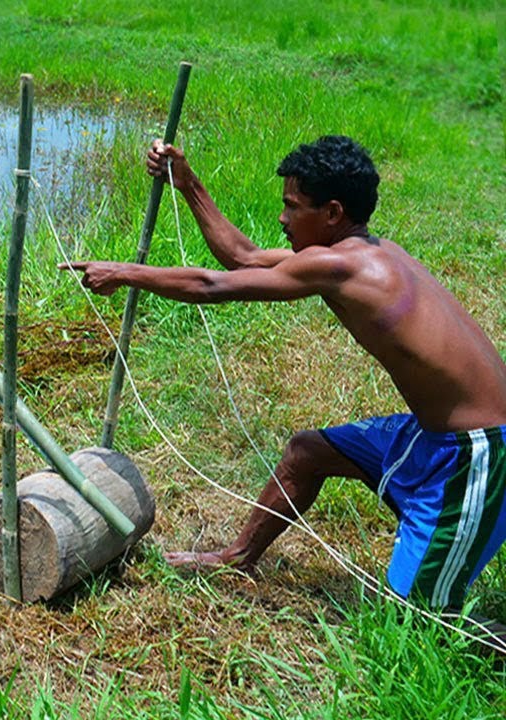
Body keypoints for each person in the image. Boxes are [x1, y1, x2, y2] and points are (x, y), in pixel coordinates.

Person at [59, 135, 506, 610]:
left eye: (292, 207)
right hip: (432, 434)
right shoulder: (357, 252)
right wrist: (187, 184)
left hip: (480, 452)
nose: (282, 218)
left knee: (417, 623)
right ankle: (238, 557)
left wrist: (125, 273)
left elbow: (214, 284)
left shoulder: (345, 268)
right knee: (306, 453)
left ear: (332, 213)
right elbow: (243, 259)